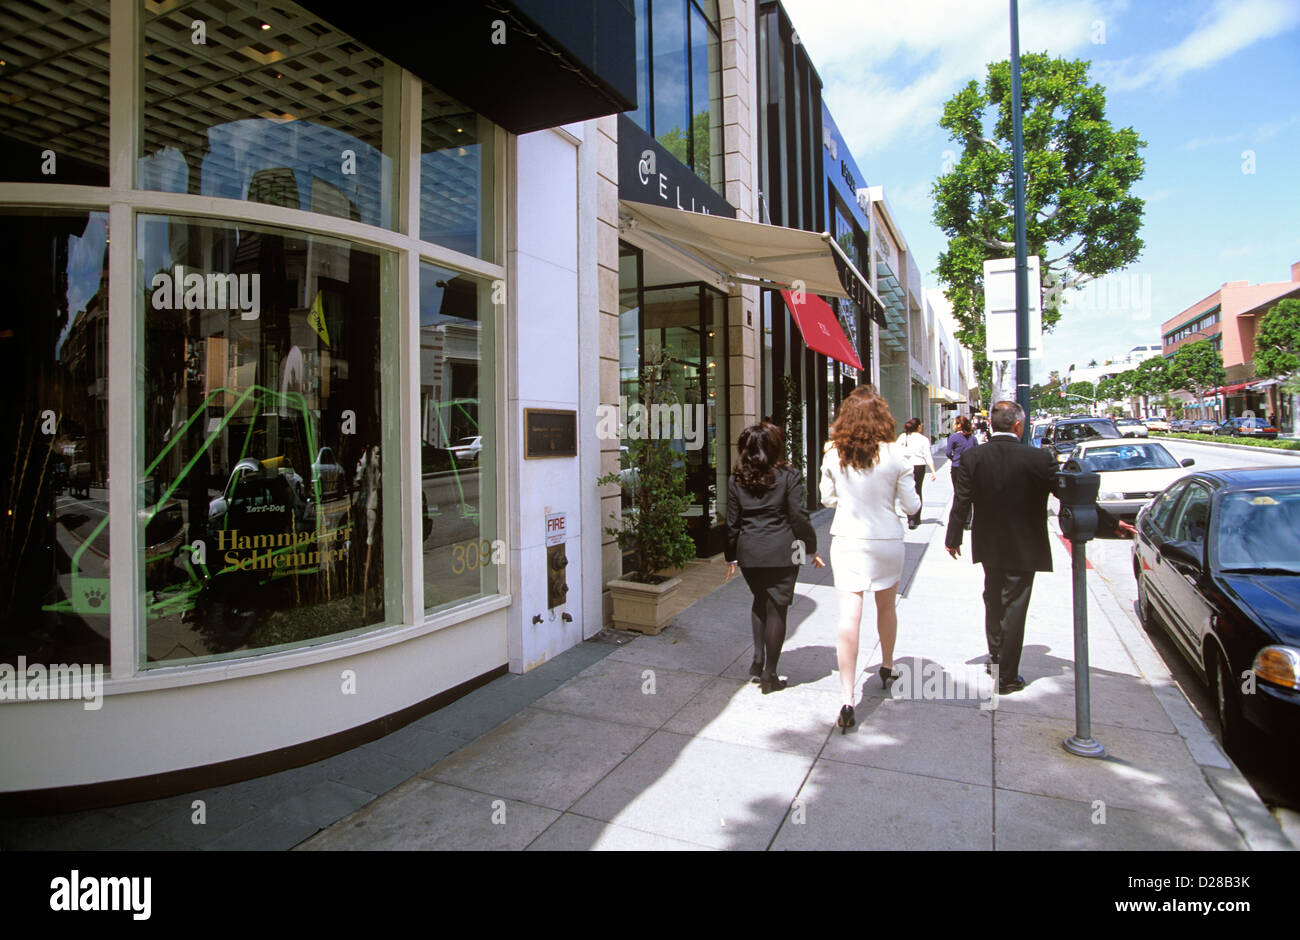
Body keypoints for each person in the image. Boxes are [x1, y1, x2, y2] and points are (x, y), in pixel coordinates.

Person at [944, 401, 1134, 694]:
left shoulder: (974, 457)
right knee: (1015, 605)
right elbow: (1070, 496)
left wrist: (953, 537)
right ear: (1018, 425)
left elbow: (962, 500)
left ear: (993, 424)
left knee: (993, 599)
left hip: (989, 542)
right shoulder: (1038, 459)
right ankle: (1006, 676)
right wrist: (1111, 524)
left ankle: (996, 657)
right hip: (1024, 545)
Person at [820, 394, 920, 733]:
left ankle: (848, 698)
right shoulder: (896, 454)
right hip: (886, 540)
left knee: (849, 617)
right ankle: (888, 665)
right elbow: (912, 504)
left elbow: (826, 498)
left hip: (847, 539)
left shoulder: (833, 453)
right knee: (886, 608)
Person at [725, 422, 825, 694]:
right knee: (777, 608)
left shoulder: (736, 479)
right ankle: (770, 675)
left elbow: (732, 523)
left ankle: (758, 661)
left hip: (749, 553)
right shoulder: (788, 475)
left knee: (760, 600)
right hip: (782, 551)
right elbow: (797, 516)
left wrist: (730, 557)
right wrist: (811, 547)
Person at [897, 417, 936, 529]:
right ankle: (917, 518)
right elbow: (928, 456)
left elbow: (896, 452)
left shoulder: (902, 437)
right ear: (918, 427)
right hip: (919, 466)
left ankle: (910, 519)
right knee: (918, 490)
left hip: (905, 466)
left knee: (907, 490)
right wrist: (933, 471)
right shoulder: (923, 439)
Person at [944, 415, 979, 530]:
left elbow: (948, 452)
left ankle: (960, 519)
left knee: (958, 494)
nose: (953, 425)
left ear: (959, 425)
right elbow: (977, 452)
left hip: (957, 468)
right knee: (969, 493)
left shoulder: (953, 438)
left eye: (955, 423)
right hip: (970, 468)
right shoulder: (973, 438)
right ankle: (968, 521)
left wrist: (954, 458)